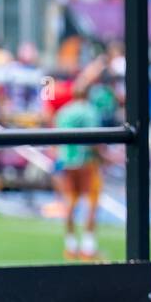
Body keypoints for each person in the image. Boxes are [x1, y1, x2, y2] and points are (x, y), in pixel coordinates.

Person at [51, 58, 109, 261]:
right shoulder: (90, 111)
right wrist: (105, 157)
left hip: (65, 162)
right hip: (86, 162)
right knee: (91, 203)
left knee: (70, 204)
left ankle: (70, 245)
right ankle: (88, 247)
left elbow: (55, 140)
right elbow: (94, 140)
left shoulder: (63, 113)